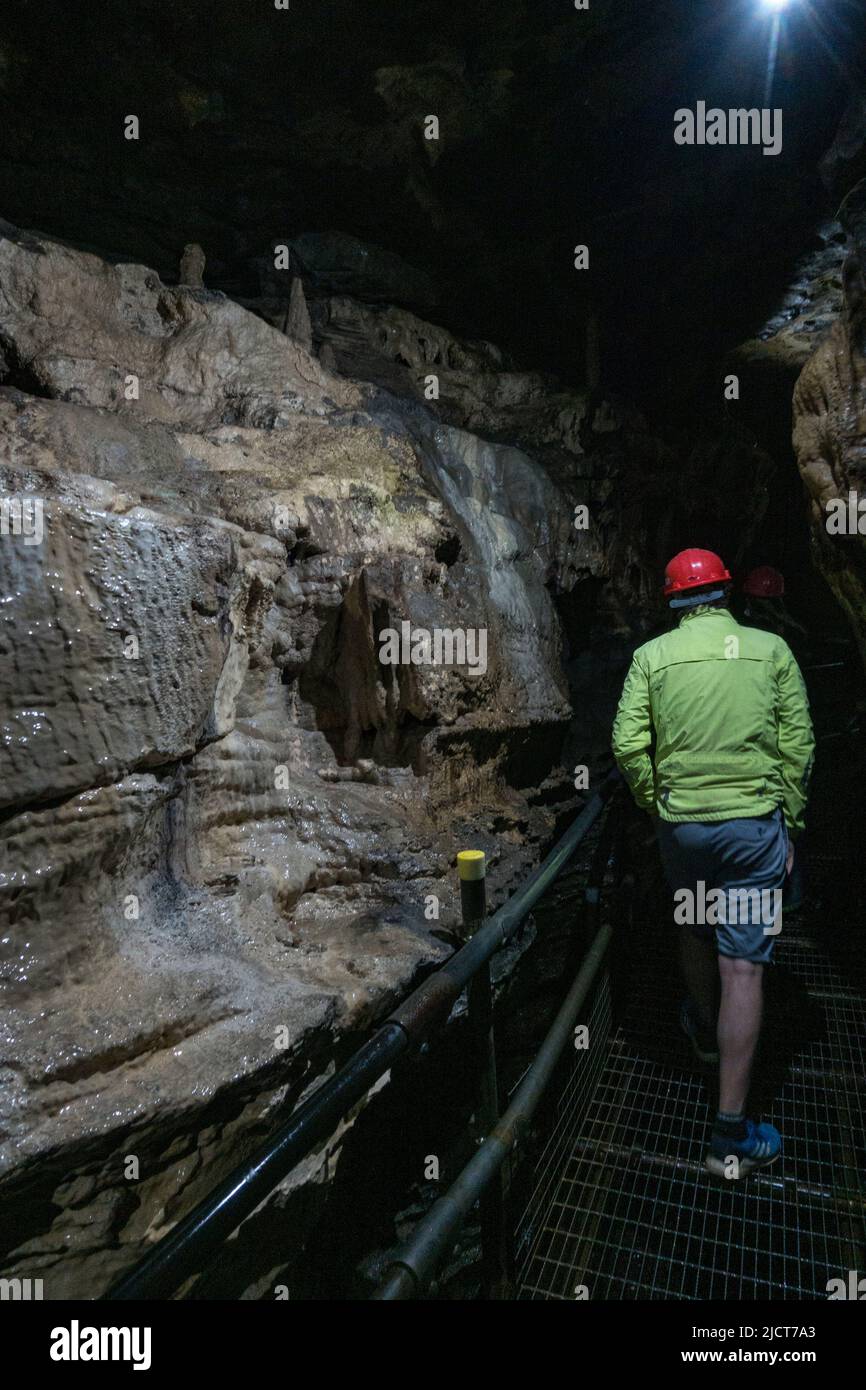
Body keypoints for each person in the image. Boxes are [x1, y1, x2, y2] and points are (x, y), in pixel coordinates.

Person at [611, 549, 815, 1177]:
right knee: (744, 970)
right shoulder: (770, 650)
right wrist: (789, 824)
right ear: (725, 593)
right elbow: (798, 746)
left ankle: (703, 1028)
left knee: (696, 926)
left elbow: (625, 744)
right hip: (752, 831)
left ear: (672, 600)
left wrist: (658, 808)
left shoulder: (652, 658)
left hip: (686, 831)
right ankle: (730, 1134)